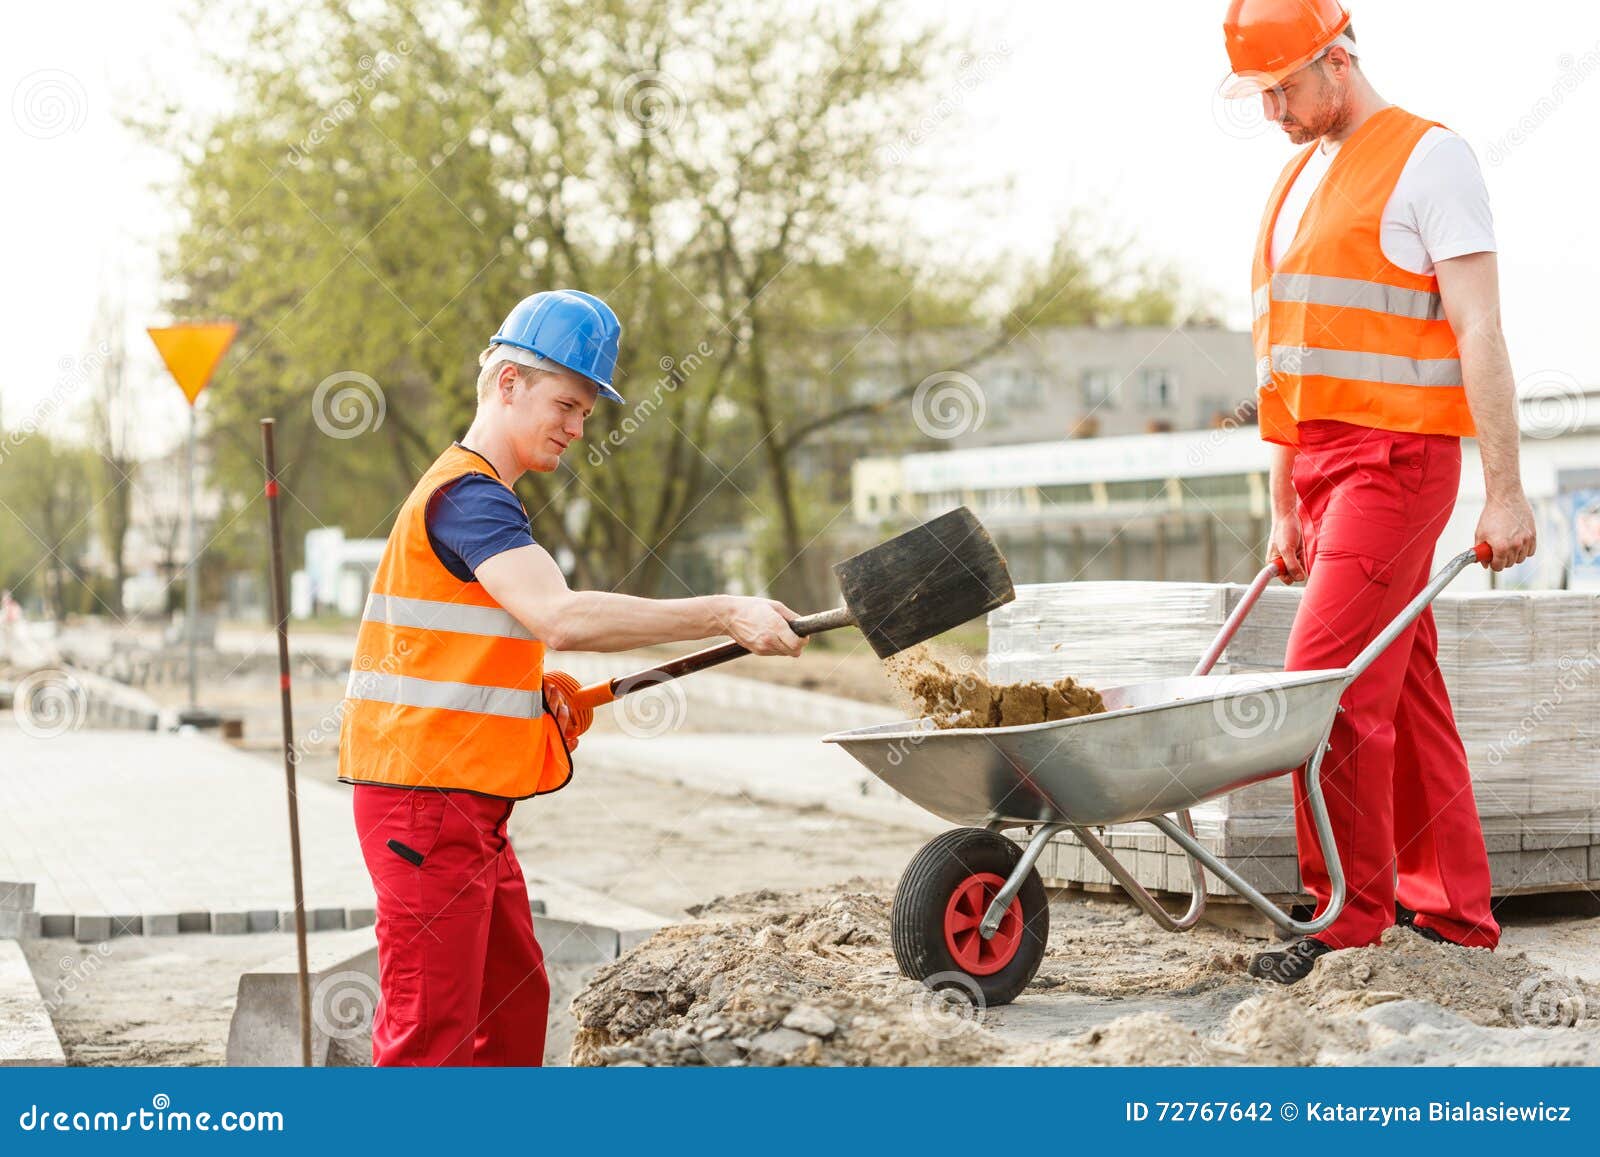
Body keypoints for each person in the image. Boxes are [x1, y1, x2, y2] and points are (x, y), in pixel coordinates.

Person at [337, 289, 807, 1062]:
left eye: (588, 411)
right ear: (508, 383)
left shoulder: (484, 504)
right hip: (426, 807)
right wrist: (723, 612)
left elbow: (462, 651)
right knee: (432, 1037)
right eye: (567, 402)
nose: (578, 427)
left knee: (515, 1003)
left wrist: (531, 697)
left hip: (468, 808)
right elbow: (560, 616)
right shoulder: (468, 498)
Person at [1219, 1, 1537, 983]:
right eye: (1257, 94)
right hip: (1320, 469)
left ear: (1337, 60)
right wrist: (1283, 503)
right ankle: (1452, 907)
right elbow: (1284, 365)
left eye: (1281, 88)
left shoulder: (1430, 158)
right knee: (1409, 686)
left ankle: (1347, 912)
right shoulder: (1295, 182)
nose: (1270, 111)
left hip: (1396, 465)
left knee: (1324, 687)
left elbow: (1478, 331)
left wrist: (1505, 493)